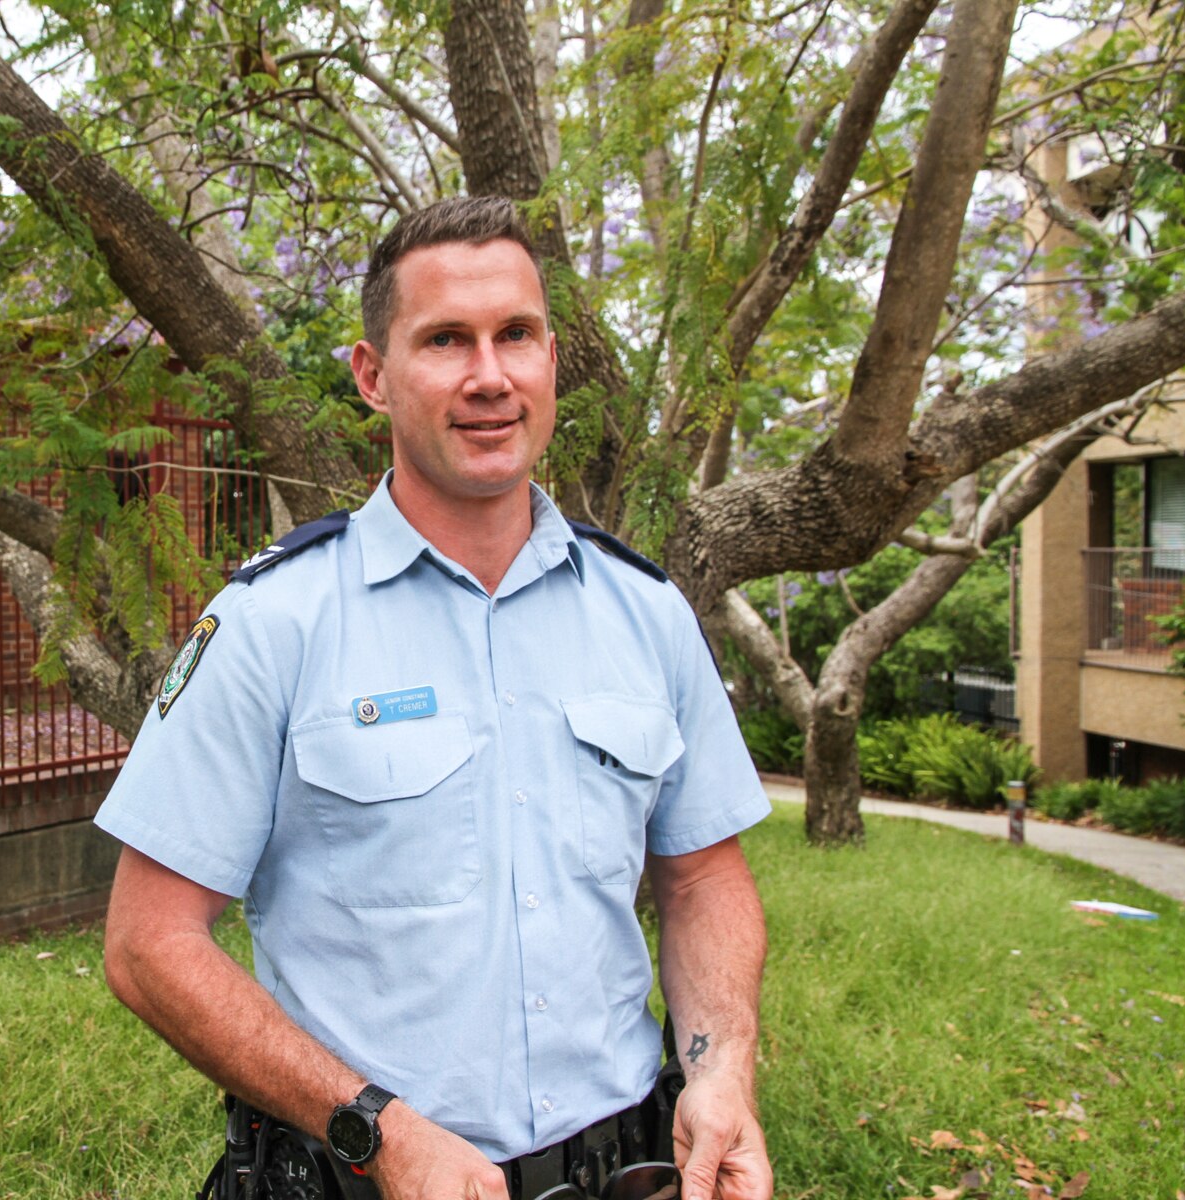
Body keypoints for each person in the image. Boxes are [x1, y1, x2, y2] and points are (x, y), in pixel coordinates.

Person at [96, 196, 774, 1200]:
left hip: (626, 1170)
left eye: (517, 335)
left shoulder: (646, 612)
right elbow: (147, 946)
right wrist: (377, 1130)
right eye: (446, 340)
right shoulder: (273, 622)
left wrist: (722, 1075)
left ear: (552, 359)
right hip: (359, 1177)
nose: (489, 376)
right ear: (373, 375)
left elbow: (704, 883)